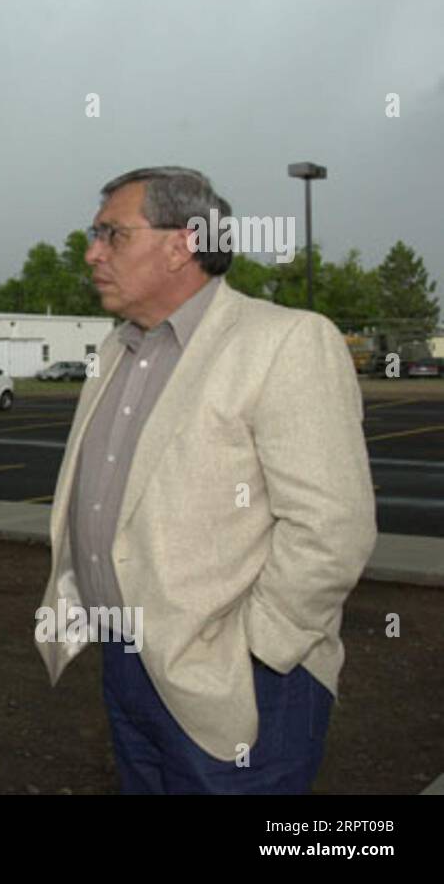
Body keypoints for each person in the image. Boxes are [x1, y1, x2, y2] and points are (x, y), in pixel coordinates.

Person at [35, 166, 376, 794]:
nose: (92, 252)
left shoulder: (285, 341)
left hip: (243, 676)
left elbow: (334, 527)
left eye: (112, 234)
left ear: (182, 243)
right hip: (127, 665)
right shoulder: (116, 351)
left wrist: (256, 650)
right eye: (94, 233)